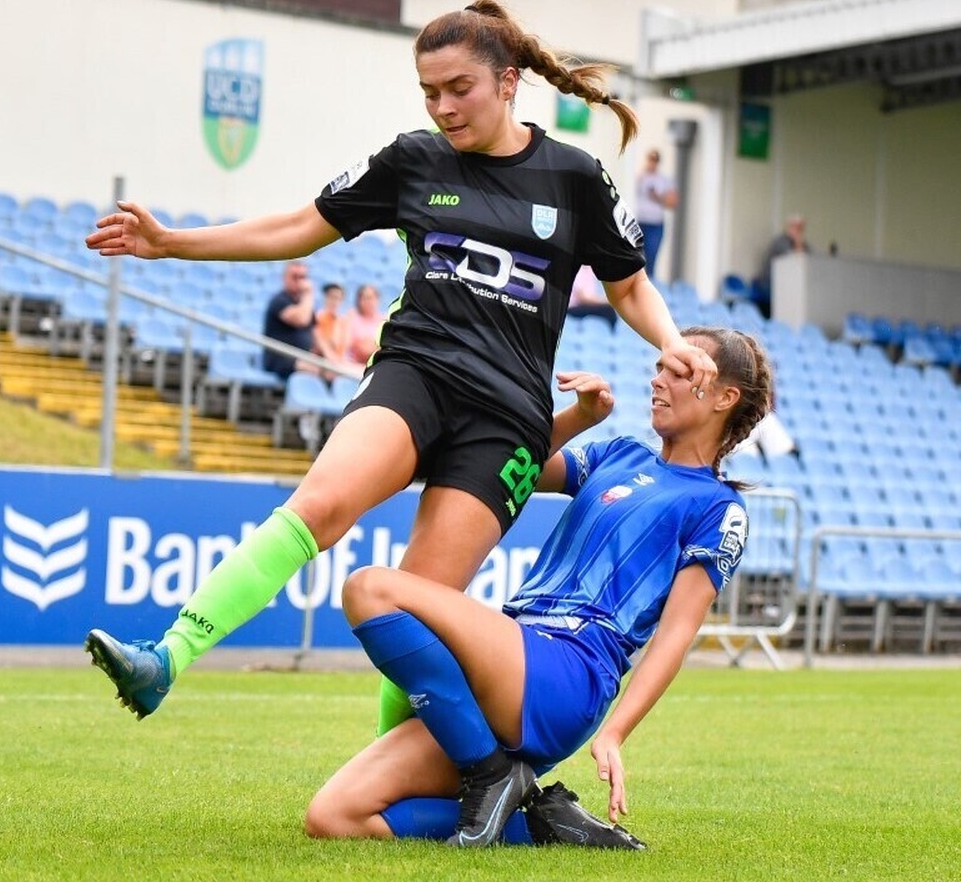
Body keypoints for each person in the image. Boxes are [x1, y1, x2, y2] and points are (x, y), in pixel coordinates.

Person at [81, 0, 717, 724]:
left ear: (508, 82)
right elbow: (298, 226)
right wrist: (172, 242)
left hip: (507, 418)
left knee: (416, 608)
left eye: (459, 89)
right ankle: (165, 657)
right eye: (429, 92)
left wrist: (671, 341)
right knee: (317, 508)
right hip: (415, 372)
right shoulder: (411, 159)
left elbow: (628, 284)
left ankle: (385, 788)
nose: (442, 106)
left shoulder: (574, 177)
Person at [307, 326, 770, 847]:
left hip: (567, 673)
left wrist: (615, 733)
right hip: (512, 652)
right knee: (334, 816)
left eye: (678, 370)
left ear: (726, 398)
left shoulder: (719, 508)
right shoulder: (618, 455)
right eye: (660, 365)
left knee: (371, 589)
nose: (657, 378)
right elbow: (506, 465)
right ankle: (547, 824)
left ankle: (489, 772)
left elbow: (676, 635)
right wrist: (578, 419)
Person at [260, 261, 320, 381]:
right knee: (315, 370)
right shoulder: (279, 300)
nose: (299, 281)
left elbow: (314, 334)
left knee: (331, 369)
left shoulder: (304, 305)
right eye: (294, 277)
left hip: (301, 357)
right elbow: (301, 320)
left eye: (302, 277)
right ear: (284, 277)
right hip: (280, 359)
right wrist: (308, 294)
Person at [753, 215, 809, 319]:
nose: (798, 231)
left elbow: (807, 258)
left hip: (788, 288)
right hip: (769, 284)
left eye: (800, 228)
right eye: (796, 227)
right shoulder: (781, 241)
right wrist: (797, 241)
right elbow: (795, 257)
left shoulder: (804, 244)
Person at [634, 148, 676, 282]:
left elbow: (672, 202)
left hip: (655, 224)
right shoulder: (641, 177)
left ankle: (649, 281)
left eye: (655, 160)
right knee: (638, 256)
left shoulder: (663, 180)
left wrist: (657, 197)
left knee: (651, 255)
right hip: (641, 222)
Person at [313, 282, 352, 375]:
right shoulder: (318, 318)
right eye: (332, 297)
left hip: (337, 362)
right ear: (325, 298)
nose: (335, 302)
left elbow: (343, 347)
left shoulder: (342, 322)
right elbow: (324, 347)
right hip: (320, 362)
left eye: (338, 298)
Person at [344, 284, 386, 365]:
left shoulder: (384, 320)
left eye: (371, 298)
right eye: (364, 298)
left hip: (375, 364)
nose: (368, 302)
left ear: (378, 299)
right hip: (353, 364)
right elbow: (359, 348)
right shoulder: (352, 317)